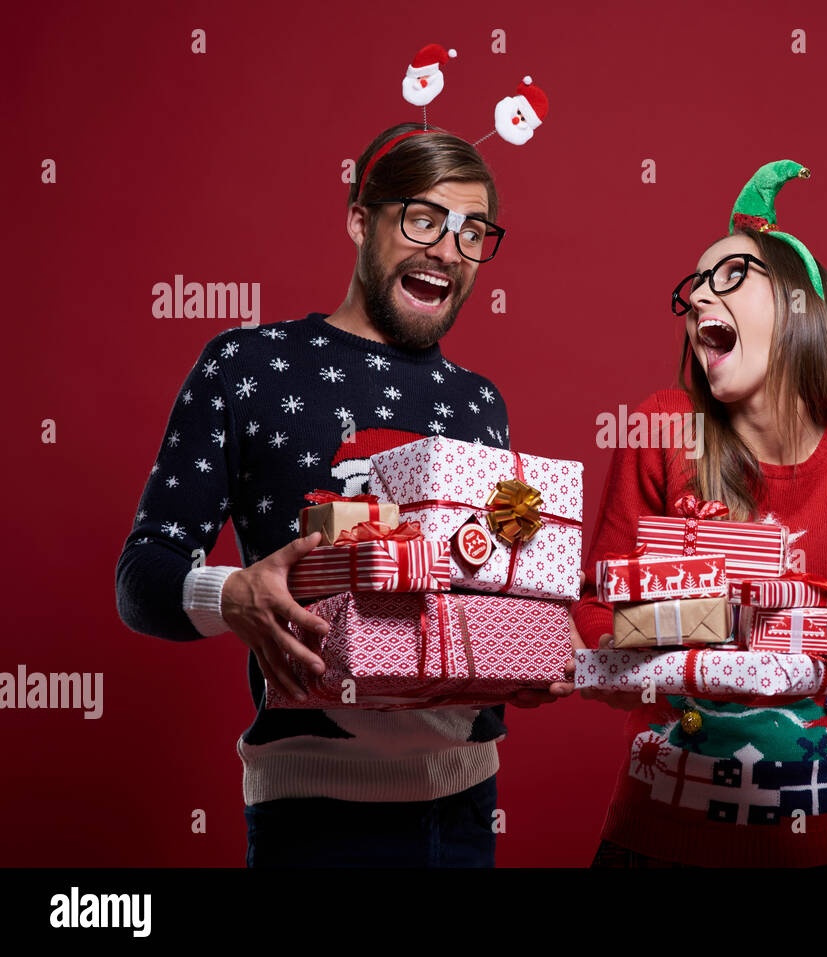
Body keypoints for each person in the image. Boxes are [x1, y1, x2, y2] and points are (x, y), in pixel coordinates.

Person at [115, 123, 573, 868]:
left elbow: (478, 591)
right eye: (423, 219)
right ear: (361, 218)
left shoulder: (480, 403)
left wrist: (516, 659)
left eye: (472, 232)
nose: (448, 251)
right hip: (312, 815)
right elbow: (142, 578)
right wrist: (232, 594)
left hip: (466, 809)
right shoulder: (246, 366)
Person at [572, 160, 827, 867]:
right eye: (693, 287)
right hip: (659, 836)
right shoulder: (662, 425)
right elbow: (595, 608)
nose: (698, 298)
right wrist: (632, 650)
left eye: (730, 275)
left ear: (801, 306)